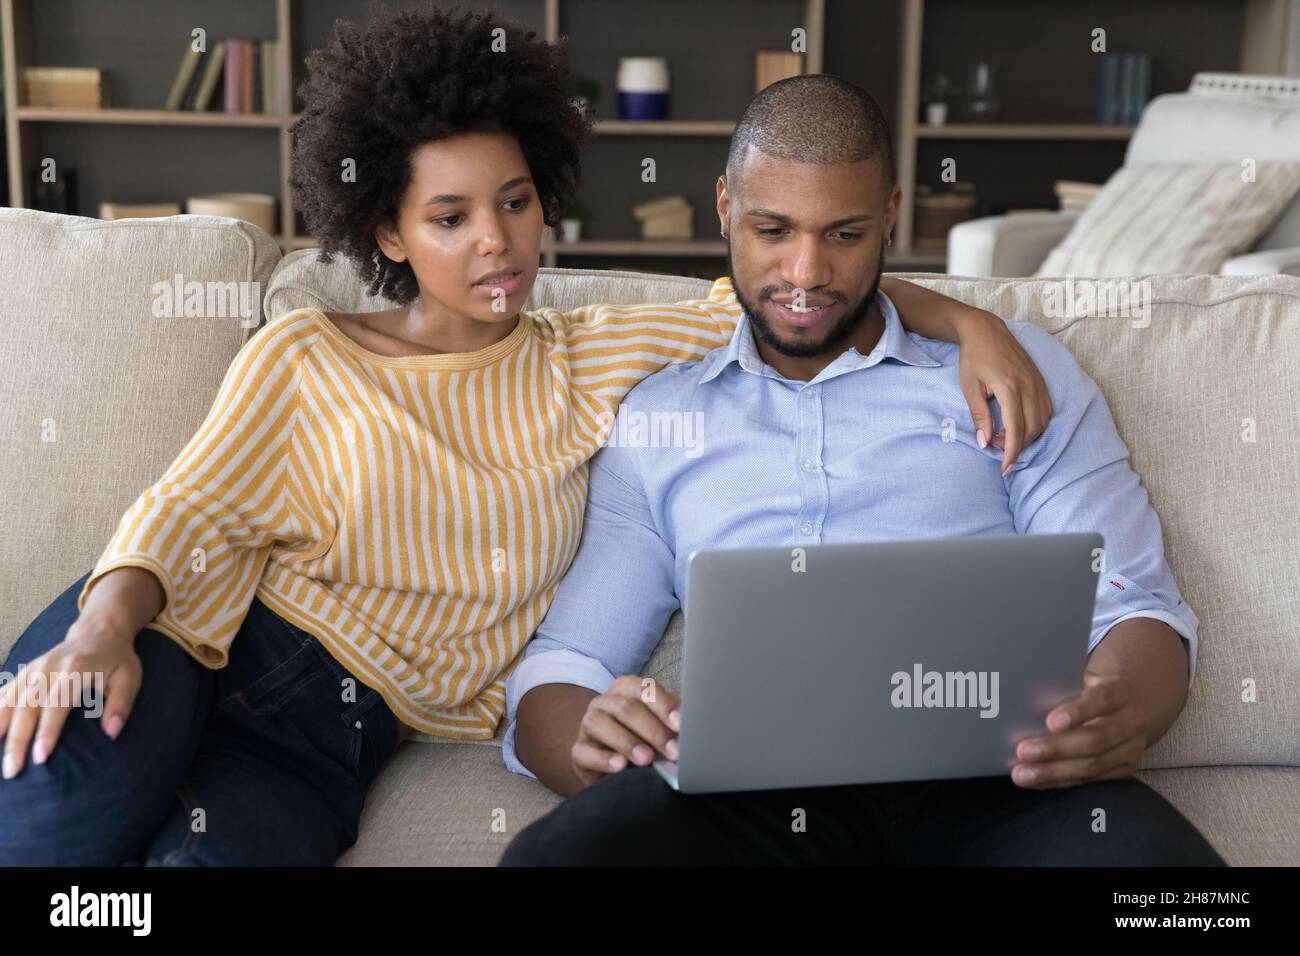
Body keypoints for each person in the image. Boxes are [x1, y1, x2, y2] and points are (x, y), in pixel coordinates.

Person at [0, 8, 1050, 865]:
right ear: (386, 231)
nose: (496, 241)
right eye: (449, 217)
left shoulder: (591, 351)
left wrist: (971, 321)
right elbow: (187, 511)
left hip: (330, 740)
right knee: (46, 830)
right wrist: (99, 632)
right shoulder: (305, 352)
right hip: (184, 639)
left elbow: (797, 287)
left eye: (512, 201)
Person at [499, 74, 1225, 866]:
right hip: (738, 805)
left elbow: (1134, 606)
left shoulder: (1012, 374)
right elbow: (566, 666)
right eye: (772, 230)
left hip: (1003, 784)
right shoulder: (659, 420)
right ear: (725, 210)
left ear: (889, 216)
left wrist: (1122, 708)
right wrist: (590, 738)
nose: (805, 274)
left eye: (843, 235)